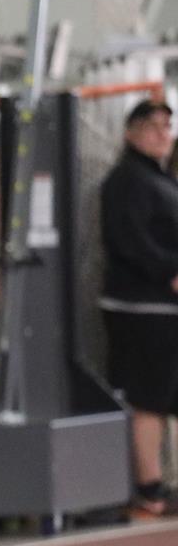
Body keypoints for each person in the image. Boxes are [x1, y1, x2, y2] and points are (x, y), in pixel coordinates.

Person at [100, 98, 178, 516]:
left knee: (165, 398)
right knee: (147, 399)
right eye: (152, 126)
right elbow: (132, 241)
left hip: (165, 309)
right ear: (131, 133)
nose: (162, 133)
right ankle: (148, 486)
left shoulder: (161, 179)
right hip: (140, 309)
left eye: (167, 126)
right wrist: (170, 272)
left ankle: (164, 480)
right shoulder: (126, 181)